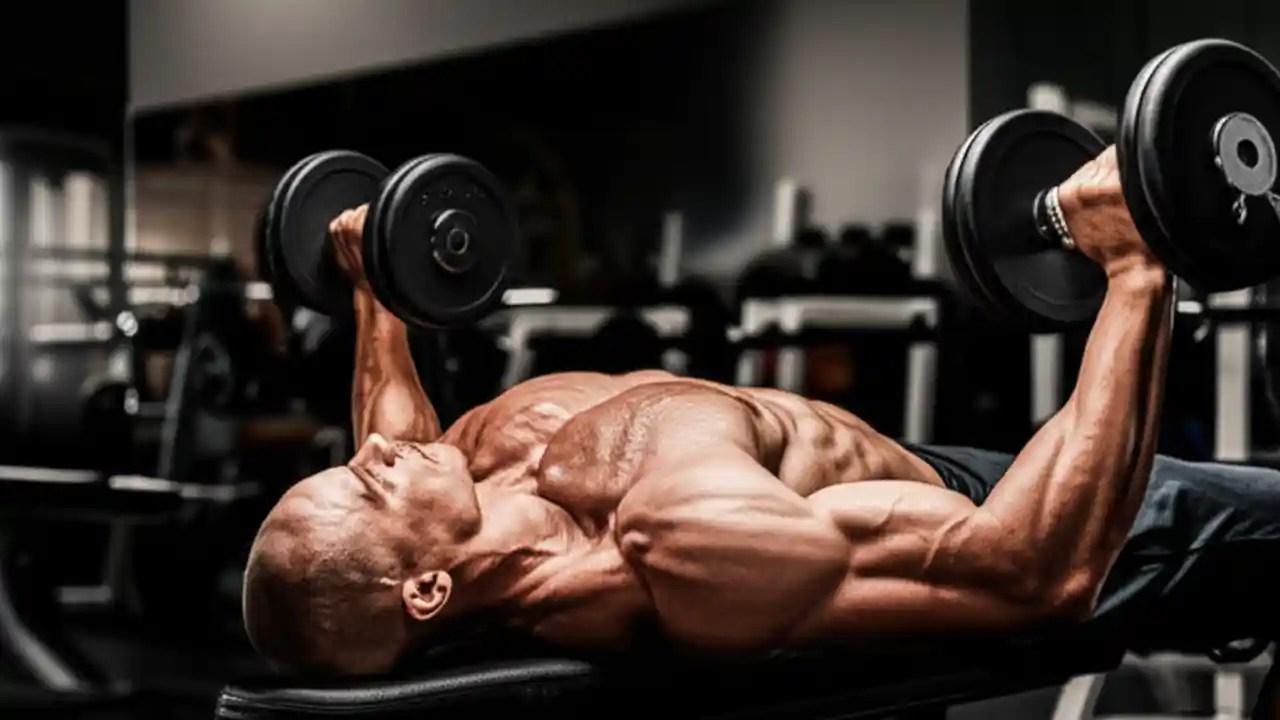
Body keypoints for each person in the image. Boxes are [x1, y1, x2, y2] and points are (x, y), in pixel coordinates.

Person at [242, 147, 1280, 680]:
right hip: (1037, 518)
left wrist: (374, 287)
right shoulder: (672, 542)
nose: (372, 451)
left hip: (925, 468)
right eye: (359, 481)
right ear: (426, 589)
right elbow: (1034, 572)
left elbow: (395, 431)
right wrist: (1135, 266)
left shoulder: (470, 477)